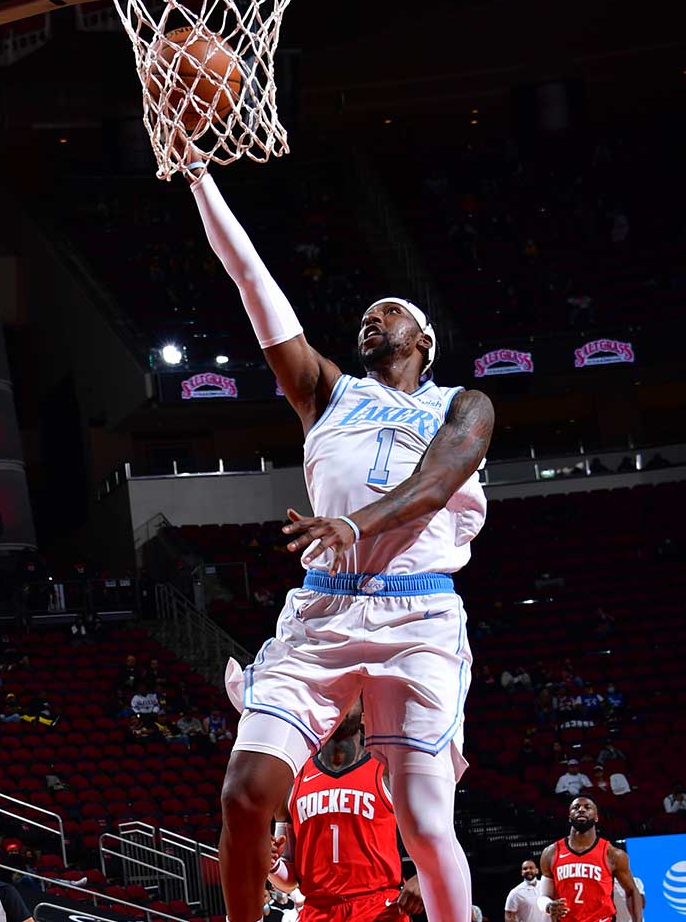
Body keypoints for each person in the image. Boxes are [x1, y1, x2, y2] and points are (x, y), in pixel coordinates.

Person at [184, 148, 493, 922]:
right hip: (325, 607)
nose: (372, 319)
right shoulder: (327, 392)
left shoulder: (463, 404)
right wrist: (200, 180)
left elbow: (432, 488)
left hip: (418, 615)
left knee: (423, 823)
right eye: (366, 315)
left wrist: (353, 522)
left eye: (388, 313)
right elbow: (254, 281)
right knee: (246, 795)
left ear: (421, 339)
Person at [267, 699, 424, 922]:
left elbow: (436, 834)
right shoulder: (292, 779)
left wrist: (423, 876)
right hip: (318, 910)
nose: (339, 702)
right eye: (331, 697)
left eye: (348, 697)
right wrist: (271, 864)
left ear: (364, 715)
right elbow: (289, 880)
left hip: (380, 909)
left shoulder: (389, 769)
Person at [537, 797, 642, 922]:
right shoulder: (551, 853)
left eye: (587, 807)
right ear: (569, 817)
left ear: (596, 817)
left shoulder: (613, 854)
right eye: (576, 807)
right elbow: (544, 896)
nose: (581, 810)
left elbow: (632, 891)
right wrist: (548, 906)